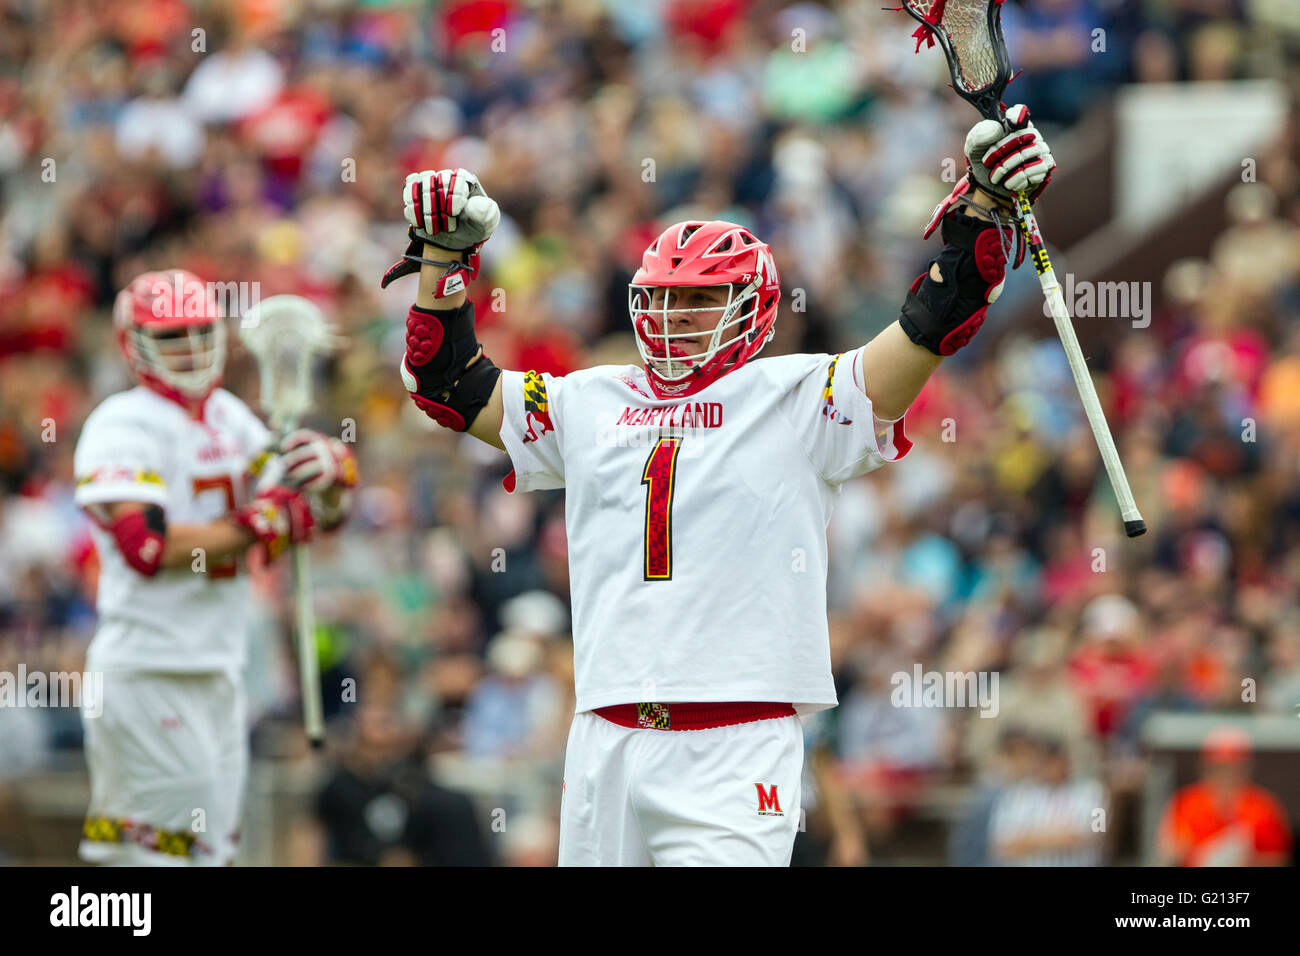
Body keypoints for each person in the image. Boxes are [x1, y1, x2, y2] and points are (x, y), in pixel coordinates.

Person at [387, 108, 1056, 865]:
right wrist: (443, 258)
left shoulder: (797, 397)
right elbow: (447, 383)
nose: (675, 316)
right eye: (663, 297)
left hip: (733, 744)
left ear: (753, 307)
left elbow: (933, 322)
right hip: (603, 737)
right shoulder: (589, 399)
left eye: (700, 299)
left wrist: (982, 211)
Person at [73, 271, 357, 865]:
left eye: (202, 331)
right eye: (173, 336)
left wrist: (329, 478)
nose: (193, 348)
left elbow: (305, 517)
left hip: (219, 667)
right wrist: (260, 523)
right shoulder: (122, 423)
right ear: (135, 344)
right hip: (151, 668)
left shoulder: (231, 417)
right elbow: (146, 547)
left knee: (212, 851)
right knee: (155, 857)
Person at [1155, 727, 1292, 867]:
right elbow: (1167, 851)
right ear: (1205, 769)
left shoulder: (1262, 807)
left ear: (1246, 769)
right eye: (1218, 769)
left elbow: (1279, 858)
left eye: (1233, 769)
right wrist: (1178, 851)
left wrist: (1247, 861)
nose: (1226, 777)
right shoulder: (1187, 802)